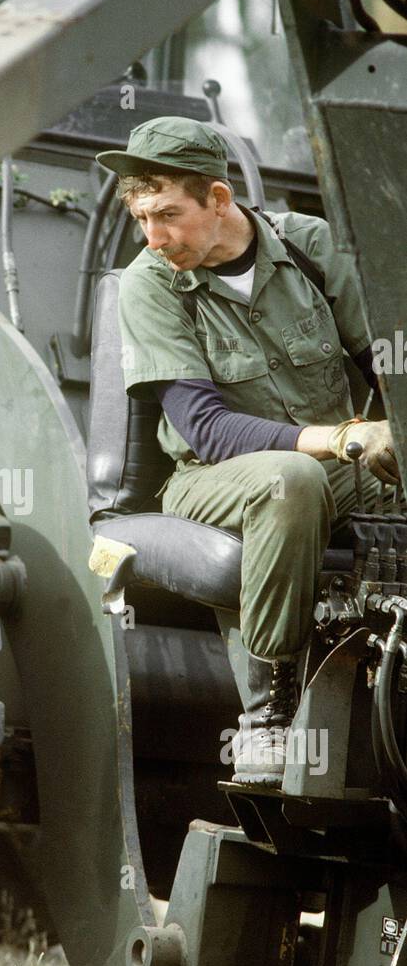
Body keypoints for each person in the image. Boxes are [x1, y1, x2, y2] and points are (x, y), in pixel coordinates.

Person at [95, 116, 400, 784]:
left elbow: (380, 363)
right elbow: (204, 429)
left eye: (167, 214)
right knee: (288, 481)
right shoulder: (149, 285)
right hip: (213, 482)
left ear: (217, 200)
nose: (153, 236)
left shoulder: (311, 246)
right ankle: (267, 716)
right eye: (142, 218)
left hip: (335, 470)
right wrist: (343, 437)